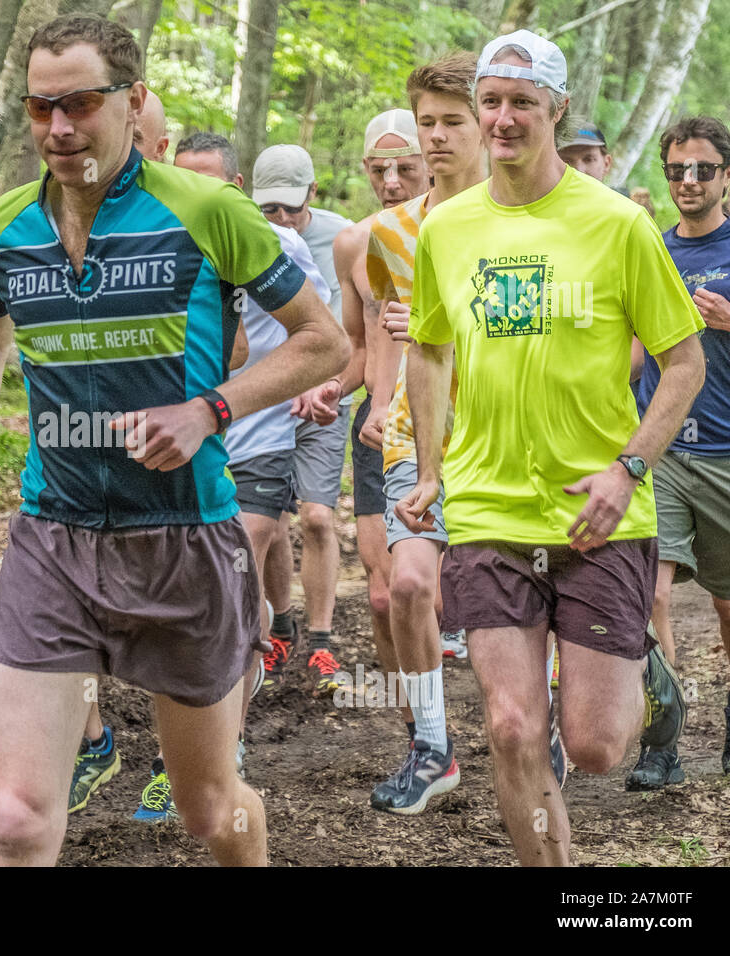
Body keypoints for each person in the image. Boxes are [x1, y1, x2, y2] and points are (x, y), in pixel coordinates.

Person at [0, 15, 348, 866]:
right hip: (53, 540)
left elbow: (324, 341)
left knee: (211, 811)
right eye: (41, 108)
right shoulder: (3, 230)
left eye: (79, 104)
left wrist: (208, 410)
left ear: (132, 101)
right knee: (18, 822)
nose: (60, 129)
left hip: (184, 536)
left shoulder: (207, 209)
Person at [399, 30, 704, 865]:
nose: (502, 118)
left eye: (522, 103)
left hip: (597, 506)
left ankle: (640, 677)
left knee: (599, 746)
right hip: (488, 503)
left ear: (556, 112)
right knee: (509, 726)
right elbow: (426, 349)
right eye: (489, 102)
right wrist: (430, 469)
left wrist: (628, 467)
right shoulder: (446, 228)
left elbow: (684, 362)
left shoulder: (618, 225)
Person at [125, 132, 335, 822]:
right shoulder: (144, 247)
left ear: (236, 189)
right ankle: (258, 647)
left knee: (235, 565)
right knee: (191, 600)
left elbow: (324, 340)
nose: (192, 200)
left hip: (257, 440)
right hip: (173, 454)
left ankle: (213, 751)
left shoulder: (282, 249)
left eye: (210, 185)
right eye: (179, 182)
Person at [365, 52, 485, 814]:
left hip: (507, 434)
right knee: (407, 584)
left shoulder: (522, 221)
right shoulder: (387, 234)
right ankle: (432, 746)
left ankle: (541, 726)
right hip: (419, 433)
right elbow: (385, 333)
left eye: (451, 122)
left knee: (516, 589)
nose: (436, 138)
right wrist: (378, 402)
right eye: (426, 123)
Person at [629, 116, 730, 789]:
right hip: (662, 450)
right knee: (653, 591)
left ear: (728, 173)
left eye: (702, 170)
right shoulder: (648, 247)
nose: (689, 182)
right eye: (677, 171)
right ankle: (661, 735)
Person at [69, 87, 171, 816]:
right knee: (64, 635)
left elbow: (300, 340)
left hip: (187, 494)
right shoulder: (49, 226)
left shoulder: (201, 219)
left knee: (168, 641)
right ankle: (94, 741)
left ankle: (183, 761)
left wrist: (209, 409)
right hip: (70, 489)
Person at [250, 144, 365, 691]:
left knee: (317, 517)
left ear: (312, 195)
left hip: (325, 396)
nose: (281, 219)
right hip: (266, 399)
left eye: (290, 208)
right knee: (267, 525)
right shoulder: (245, 236)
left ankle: (321, 642)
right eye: (269, 208)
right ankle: (279, 627)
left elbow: (349, 330)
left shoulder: (343, 238)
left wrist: (330, 384)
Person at [334, 111, 429, 710]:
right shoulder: (355, 241)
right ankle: (416, 727)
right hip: (378, 424)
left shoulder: (472, 225)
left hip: (455, 422)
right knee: (381, 594)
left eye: (405, 167)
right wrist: (329, 389)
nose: (391, 180)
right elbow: (360, 346)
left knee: (435, 590)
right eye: (378, 168)